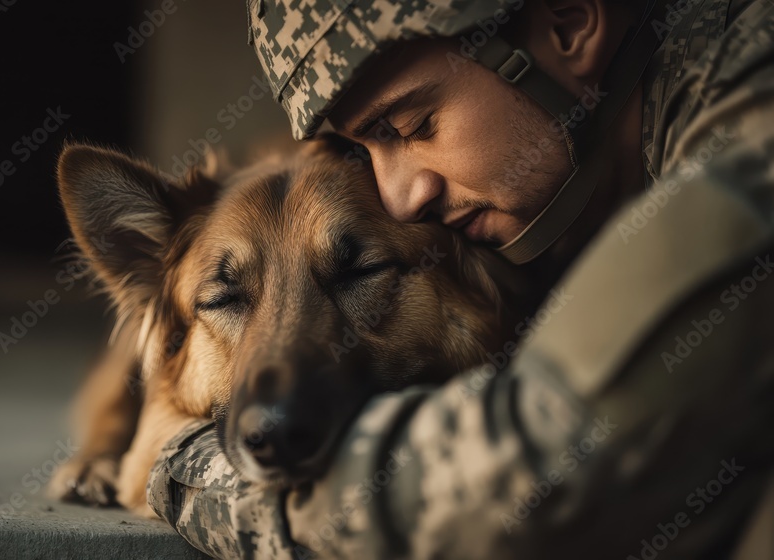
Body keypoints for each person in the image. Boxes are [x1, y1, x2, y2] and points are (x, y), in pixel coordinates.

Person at [146, 0, 774, 557]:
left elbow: (524, 483)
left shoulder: (754, 132)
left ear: (570, 24)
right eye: (365, 152)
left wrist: (182, 462)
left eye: (415, 128)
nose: (398, 201)